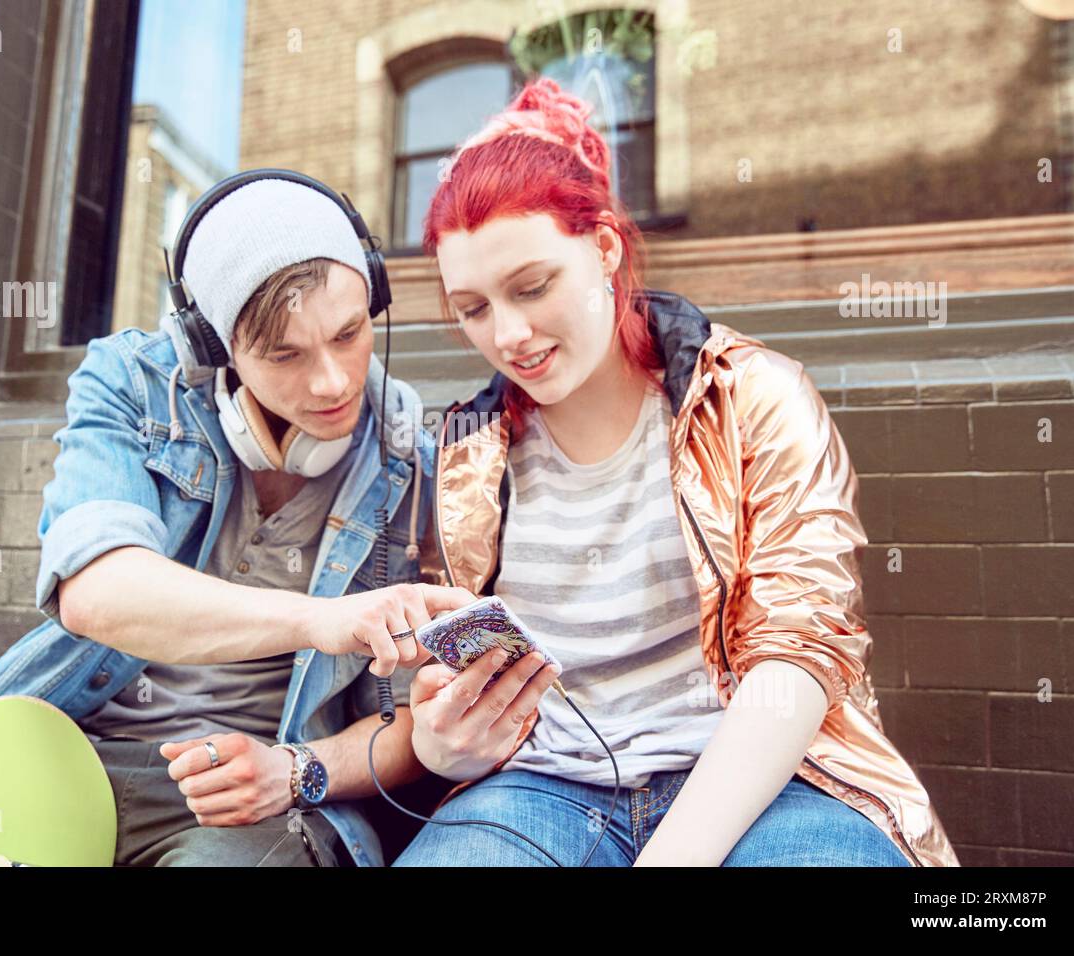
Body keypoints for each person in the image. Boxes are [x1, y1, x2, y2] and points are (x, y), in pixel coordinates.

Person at [395, 79, 959, 867]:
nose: (509, 334)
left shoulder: (749, 393)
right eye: (473, 307)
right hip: (541, 787)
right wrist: (443, 741)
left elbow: (801, 650)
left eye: (532, 287)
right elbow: (452, 690)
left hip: (771, 777)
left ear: (604, 248)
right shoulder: (465, 454)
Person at [0, 170, 473, 868]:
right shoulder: (132, 384)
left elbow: (418, 721)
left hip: (257, 799)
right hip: (66, 753)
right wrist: (317, 620)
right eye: (284, 354)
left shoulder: (413, 458)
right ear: (214, 346)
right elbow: (95, 592)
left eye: (350, 334)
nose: (332, 381)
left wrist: (294, 771)